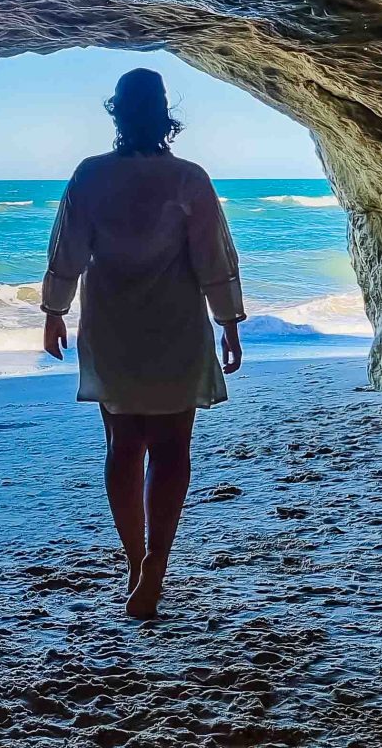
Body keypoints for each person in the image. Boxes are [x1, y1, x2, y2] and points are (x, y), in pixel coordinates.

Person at [40, 67, 245, 619]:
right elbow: (213, 257)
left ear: (117, 113)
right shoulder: (188, 179)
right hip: (176, 323)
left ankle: (135, 563)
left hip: (112, 325)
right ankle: (156, 562)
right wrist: (229, 321)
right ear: (165, 117)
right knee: (173, 448)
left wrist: (54, 312)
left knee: (123, 444)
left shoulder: (90, 175)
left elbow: (67, 251)